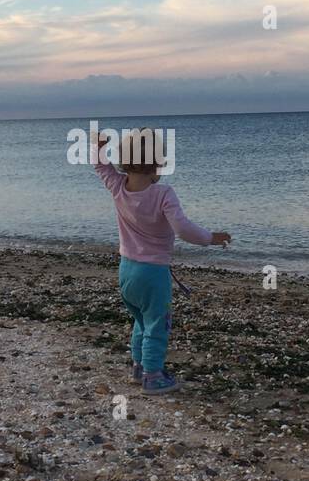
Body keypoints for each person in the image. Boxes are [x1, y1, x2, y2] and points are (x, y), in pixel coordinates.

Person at [92, 128, 230, 394]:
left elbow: (100, 165)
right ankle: (153, 376)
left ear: (125, 160)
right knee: (157, 323)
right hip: (153, 274)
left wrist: (99, 145)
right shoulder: (163, 193)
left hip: (126, 270)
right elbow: (183, 229)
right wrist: (210, 238)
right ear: (157, 164)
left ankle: (138, 367)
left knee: (141, 321)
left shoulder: (118, 187)